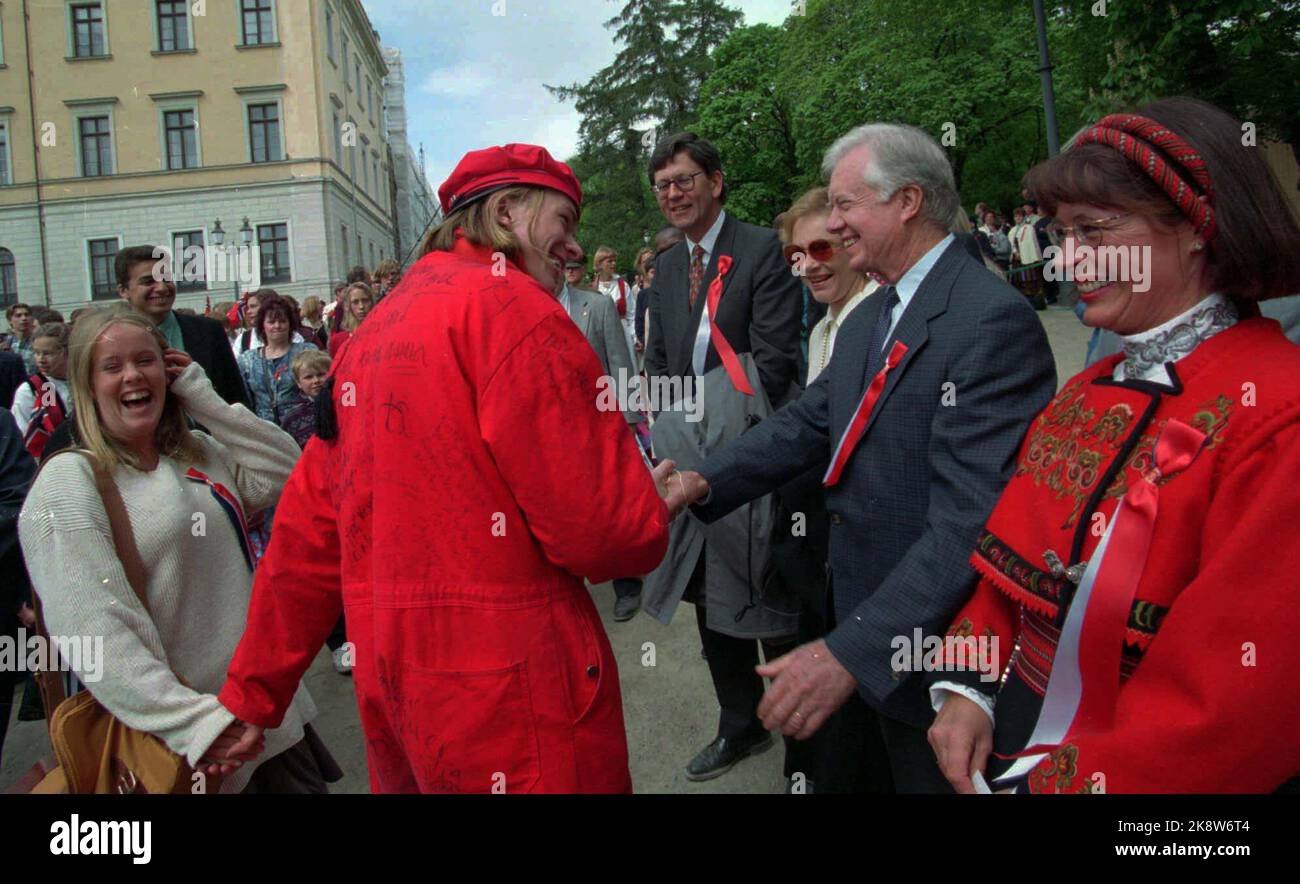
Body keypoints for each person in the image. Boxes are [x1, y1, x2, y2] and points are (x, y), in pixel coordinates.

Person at [215, 143, 673, 793]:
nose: (573, 247)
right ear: (508, 213)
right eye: (563, 224)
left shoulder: (371, 334)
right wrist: (648, 507)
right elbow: (602, 535)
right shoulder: (518, 314)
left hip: (398, 694)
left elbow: (307, 537)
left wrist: (253, 694)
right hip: (517, 696)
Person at [664, 122, 1057, 792]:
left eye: (845, 206)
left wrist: (852, 650)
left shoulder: (988, 320)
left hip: (929, 656)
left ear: (907, 201)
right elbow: (807, 423)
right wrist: (704, 479)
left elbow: (969, 523)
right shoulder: (876, 313)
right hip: (863, 624)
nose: (835, 224)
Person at [927, 98, 1300, 795]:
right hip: (1013, 740)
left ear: (1196, 230)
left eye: (1094, 232)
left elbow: (1229, 712)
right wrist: (967, 689)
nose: (1067, 261)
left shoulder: (1281, 415)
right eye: (1061, 233)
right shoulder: (1085, 391)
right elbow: (1007, 580)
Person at [18, 305, 338, 792]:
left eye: (146, 360)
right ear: (86, 383)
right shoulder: (69, 482)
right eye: (112, 366)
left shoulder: (196, 452)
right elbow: (96, 635)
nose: (132, 375)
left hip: (270, 723)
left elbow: (285, 471)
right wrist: (197, 724)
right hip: (189, 751)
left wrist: (201, 396)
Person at [641, 132, 804, 782]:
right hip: (688, 464)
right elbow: (659, 357)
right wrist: (666, 417)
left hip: (753, 455)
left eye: (683, 180)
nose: (673, 194)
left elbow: (777, 360)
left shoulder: (762, 249)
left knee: (772, 602)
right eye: (662, 187)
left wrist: (709, 425)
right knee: (709, 601)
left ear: (716, 180)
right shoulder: (669, 266)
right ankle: (740, 725)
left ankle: (804, 750)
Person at [559, 251, 646, 621]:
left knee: (610, 508)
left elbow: (620, 363)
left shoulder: (595, 307)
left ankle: (626, 583)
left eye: (563, 265)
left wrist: (628, 419)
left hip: (599, 427)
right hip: (550, 435)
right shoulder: (523, 309)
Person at [113, 245, 251, 409]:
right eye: (149, 281)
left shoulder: (209, 332)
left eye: (167, 278)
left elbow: (236, 400)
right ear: (123, 290)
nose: (162, 287)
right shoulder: (109, 341)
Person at [784, 188, 878, 386]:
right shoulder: (819, 332)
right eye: (797, 254)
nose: (807, 265)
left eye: (821, 249)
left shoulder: (885, 317)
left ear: (852, 246)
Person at [237, 293, 319, 427]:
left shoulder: (306, 351)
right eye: (271, 322)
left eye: (282, 321)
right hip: (265, 432)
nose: (277, 326)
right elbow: (245, 400)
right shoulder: (247, 360)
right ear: (262, 325)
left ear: (290, 324)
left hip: (304, 428)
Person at [592, 246, 638, 366]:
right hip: (601, 335)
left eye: (614, 261)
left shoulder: (623, 285)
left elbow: (632, 314)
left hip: (622, 332)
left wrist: (634, 337)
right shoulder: (592, 287)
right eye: (609, 261)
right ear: (599, 264)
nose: (614, 264)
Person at [327, 282, 374, 358]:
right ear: (348, 306)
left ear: (372, 303)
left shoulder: (383, 335)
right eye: (355, 302)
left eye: (365, 301)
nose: (361, 306)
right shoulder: (337, 341)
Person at [5, 304, 37, 374]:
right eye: (18, 316)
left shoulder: (39, 342)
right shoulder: (5, 345)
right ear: (10, 320)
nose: (24, 318)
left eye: (27, 315)